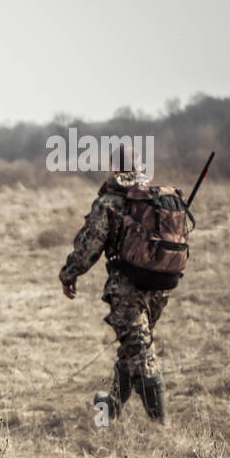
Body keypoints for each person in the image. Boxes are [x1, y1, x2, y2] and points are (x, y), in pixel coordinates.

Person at [59, 143, 170, 424]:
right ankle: (110, 407)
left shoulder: (111, 201)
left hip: (128, 288)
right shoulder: (156, 197)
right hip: (160, 287)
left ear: (113, 167)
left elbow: (89, 245)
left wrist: (69, 273)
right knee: (134, 346)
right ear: (141, 166)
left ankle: (161, 427)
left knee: (141, 353)